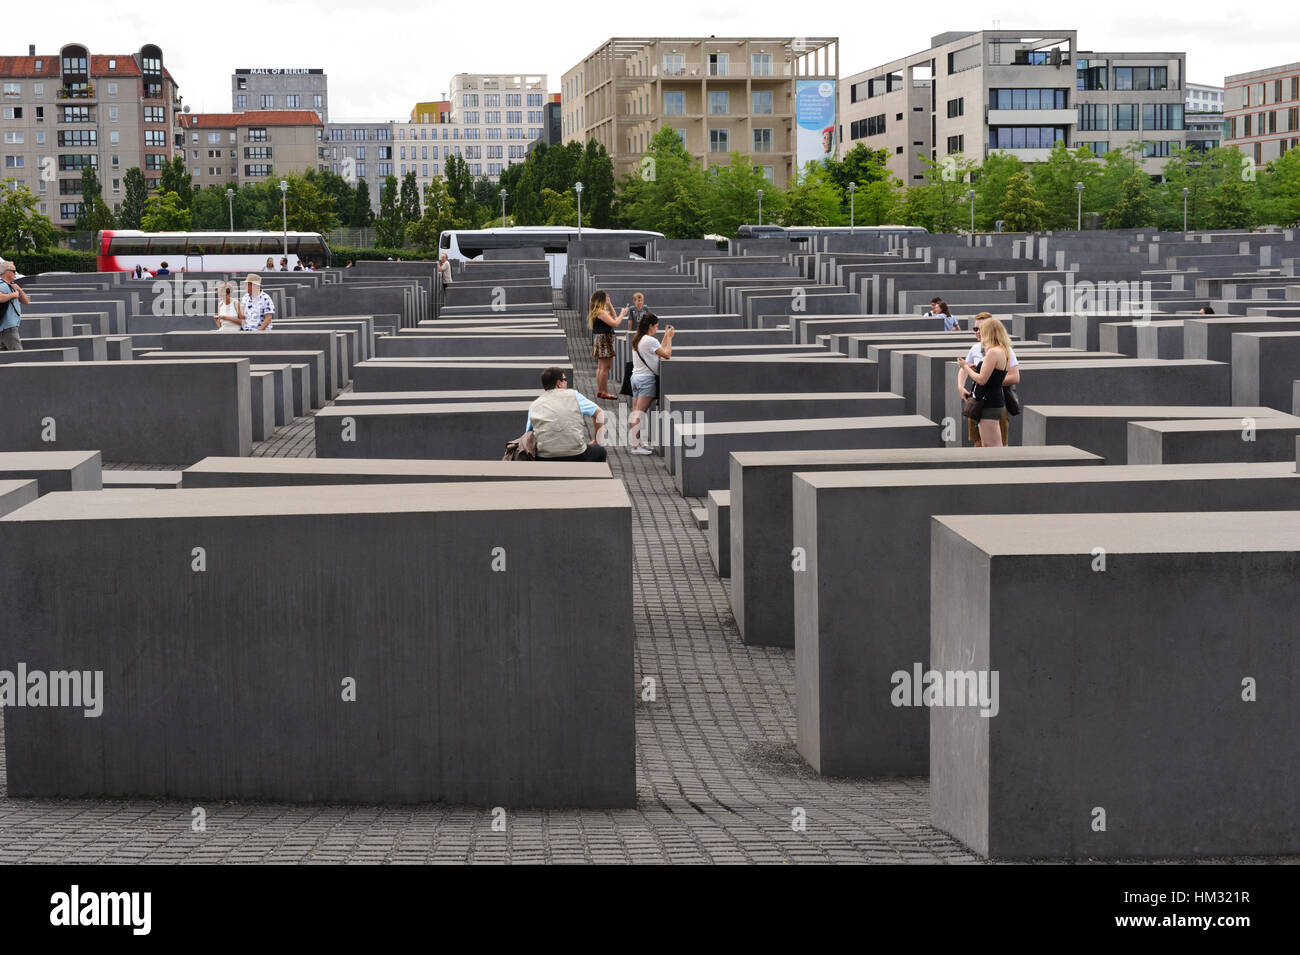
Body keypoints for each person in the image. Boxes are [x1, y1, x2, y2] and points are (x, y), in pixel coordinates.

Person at [957, 312, 1020, 447]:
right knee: (983, 444)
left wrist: (966, 367)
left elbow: (982, 380)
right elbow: (992, 375)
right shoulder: (1000, 350)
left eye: (982, 329)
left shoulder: (993, 352)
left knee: (994, 447)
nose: (978, 332)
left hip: (989, 402)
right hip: (987, 401)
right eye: (976, 329)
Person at [525, 366, 608, 462]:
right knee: (600, 451)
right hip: (577, 454)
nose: (566, 382)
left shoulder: (534, 405)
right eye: (565, 379)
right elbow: (599, 413)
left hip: (545, 457)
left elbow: (528, 434)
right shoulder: (574, 396)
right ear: (559, 383)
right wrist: (597, 440)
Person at [628, 312, 674, 455]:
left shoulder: (639, 338)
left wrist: (666, 336)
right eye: (657, 326)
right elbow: (667, 355)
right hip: (646, 380)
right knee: (639, 414)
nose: (657, 329)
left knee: (636, 411)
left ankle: (638, 443)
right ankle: (635, 446)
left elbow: (658, 349)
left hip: (635, 378)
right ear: (650, 326)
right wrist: (671, 339)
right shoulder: (649, 340)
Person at [589, 289, 627, 401]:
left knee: (601, 367)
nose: (608, 299)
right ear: (602, 299)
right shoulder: (601, 312)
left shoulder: (599, 311)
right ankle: (604, 391)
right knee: (605, 368)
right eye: (607, 298)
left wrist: (610, 304)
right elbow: (615, 323)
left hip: (601, 339)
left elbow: (613, 316)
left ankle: (601, 391)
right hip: (605, 339)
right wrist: (623, 314)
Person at [0, 261, 30, 351]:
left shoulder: (11, 286)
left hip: (8, 326)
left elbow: (26, 301)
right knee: (18, 354)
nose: (15, 274)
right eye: (14, 271)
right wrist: (13, 295)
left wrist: (19, 290)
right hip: (8, 326)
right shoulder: (2, 285)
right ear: (6, 272)